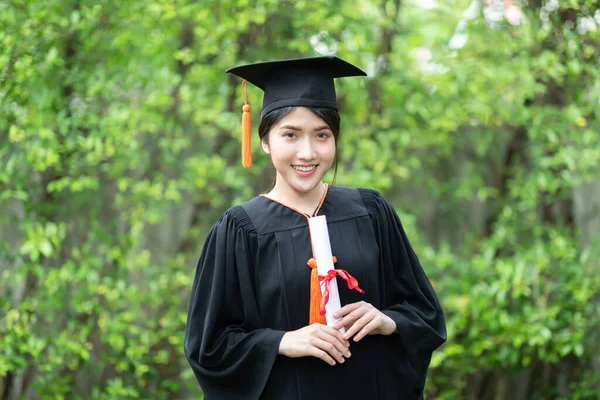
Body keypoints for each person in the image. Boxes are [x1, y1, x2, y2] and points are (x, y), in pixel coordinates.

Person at [184, 56, 446, 400]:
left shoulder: (371, 212)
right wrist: (280, 341)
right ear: (264, 141)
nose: (307, 152)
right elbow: (208, 346)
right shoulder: (240, 231)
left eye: (321, 135)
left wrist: (388, 321)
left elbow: (424, 313)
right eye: (290, 134)